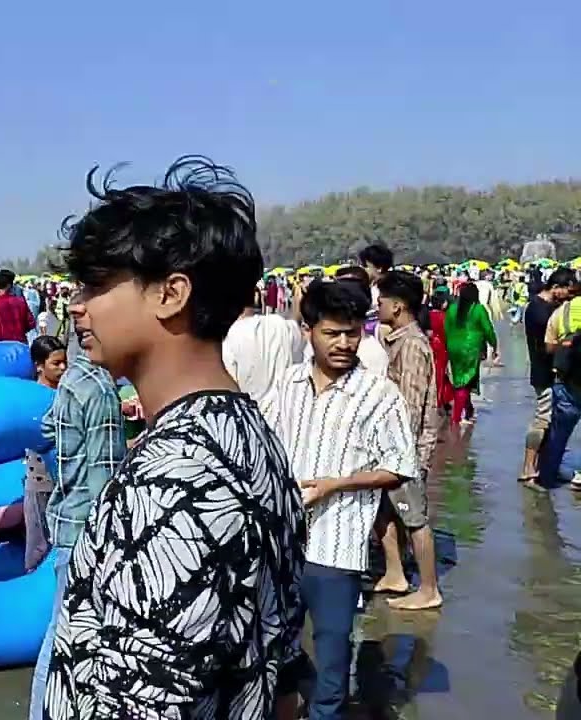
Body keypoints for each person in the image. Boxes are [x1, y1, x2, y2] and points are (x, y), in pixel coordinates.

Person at [42, 158, 305, 720]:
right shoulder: (250, 434)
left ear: (171, 294)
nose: (76, 305)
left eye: (96, 284)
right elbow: (283, 674)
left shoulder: (173, 477)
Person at [261, 280, 417, 720]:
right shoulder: (287, 383)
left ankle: (326, 712)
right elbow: (260, 437)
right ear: (307, 330)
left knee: (332, 647)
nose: (344, 344)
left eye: (352, 333)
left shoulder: (378, 394)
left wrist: (337, 484)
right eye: (332, 333)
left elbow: (399, 466)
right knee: (275, 642)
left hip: (338, 543)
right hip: (283, 540)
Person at [374, 271, 443, 611]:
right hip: (395, 445)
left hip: (406, 448)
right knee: (385, 511)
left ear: (398, 306)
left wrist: (401, 451)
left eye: (382, 301)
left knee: (414, 518)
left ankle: (429, 588)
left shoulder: (412, 345)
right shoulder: (398, 340)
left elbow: (411, 405)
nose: (377, 306)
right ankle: (395, 573)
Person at [520, 269, 576, 484]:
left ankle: (543, 467)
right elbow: (549, 345)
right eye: (567, 292)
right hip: (544, 372)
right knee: (542, 420)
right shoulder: (539, 310)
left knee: (551, 422)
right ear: (556, 287)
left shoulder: (545, 307)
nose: (567, 298)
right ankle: (528, 467)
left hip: (549, 372)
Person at [22, 335, 67, 573]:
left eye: (65, 362)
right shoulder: (32, 397)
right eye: (56, 363)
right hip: (40, 480)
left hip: (65, 479)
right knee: (38, 545)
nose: (63, 368)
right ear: (39, 366)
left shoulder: (65, 393)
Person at [445, 281, 499, 427]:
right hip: (471, 348)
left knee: (460, 379)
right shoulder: (478, 309)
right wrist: (494, 345)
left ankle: (468, 410)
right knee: (465, 383)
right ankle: (457, 417)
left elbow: (446, 328)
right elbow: (488, 329)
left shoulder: (452, 308)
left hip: (453, 347)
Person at [0, 271, 36, 343]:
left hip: (2, 345)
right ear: (10, 285)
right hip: (20, 343)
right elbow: (31, 323)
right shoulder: (21, 301)